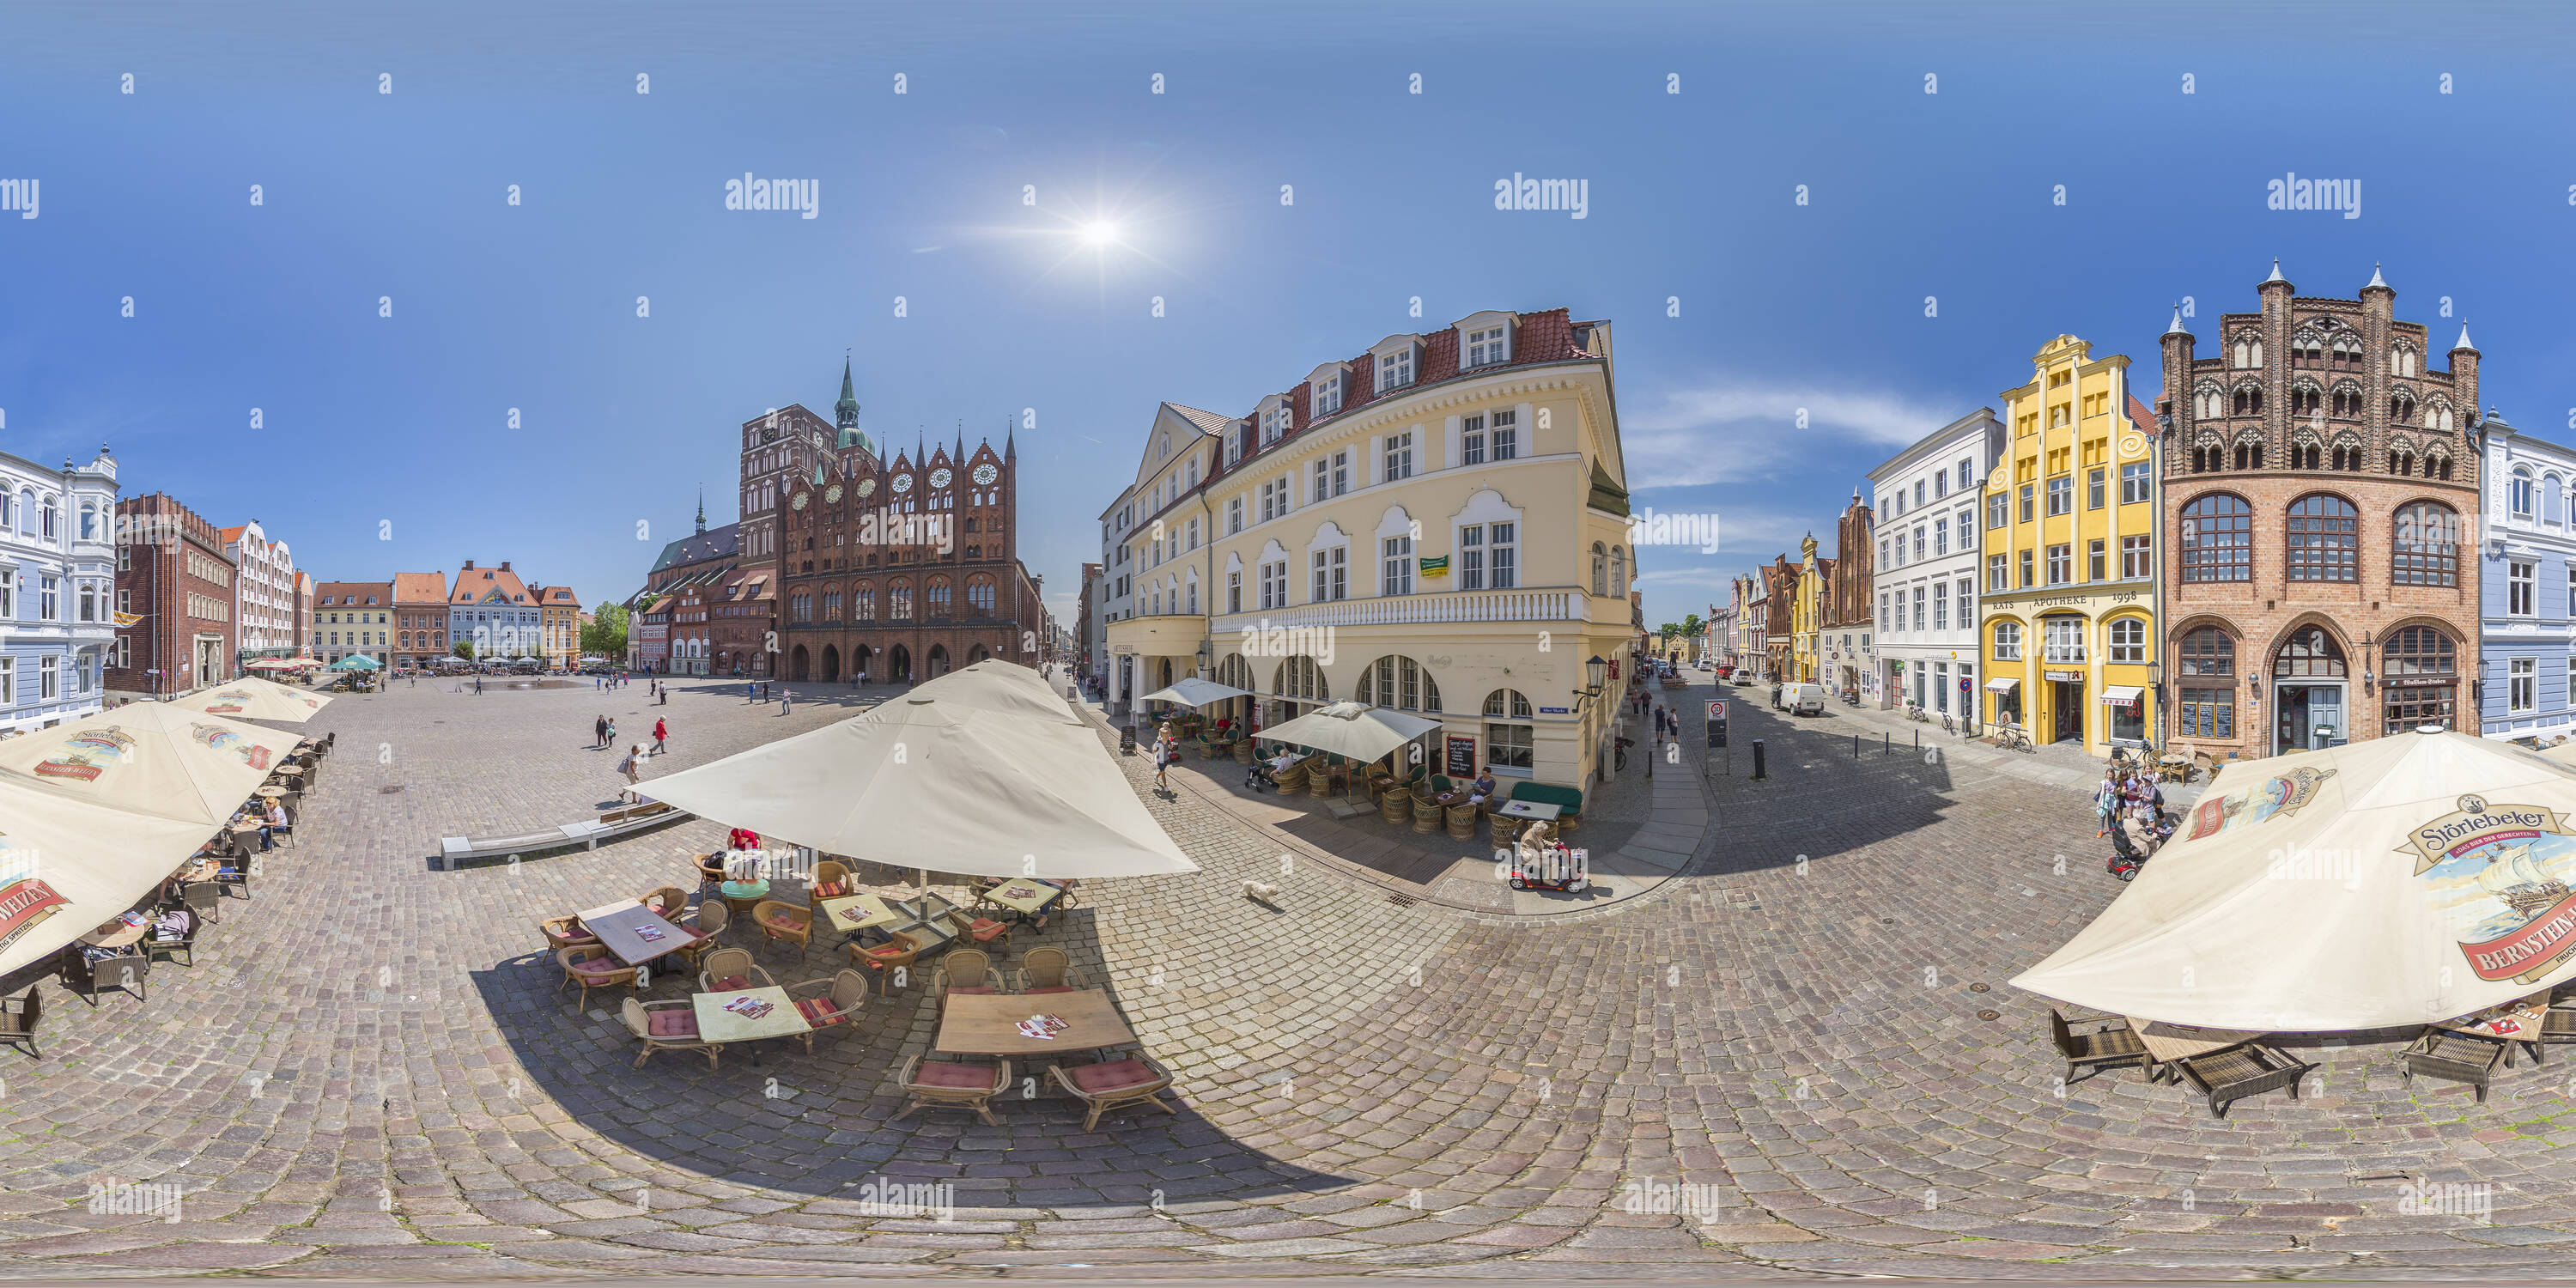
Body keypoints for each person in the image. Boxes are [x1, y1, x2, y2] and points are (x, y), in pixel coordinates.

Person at [2093, 773, 2121, 839]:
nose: (2109, 776)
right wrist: (2099, 802)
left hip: (2111, 800)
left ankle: (2111, 828)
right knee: (2102, 816)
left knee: (2110, 815)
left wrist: (2117, 800)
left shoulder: (2114, 783)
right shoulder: (2104, 782)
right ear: (2106, 775)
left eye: (2111, 775)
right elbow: (2102, 792)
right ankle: (2101, 830)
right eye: (2108, 775)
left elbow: (2115, 793)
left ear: (2113, 775)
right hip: (2105, 800)